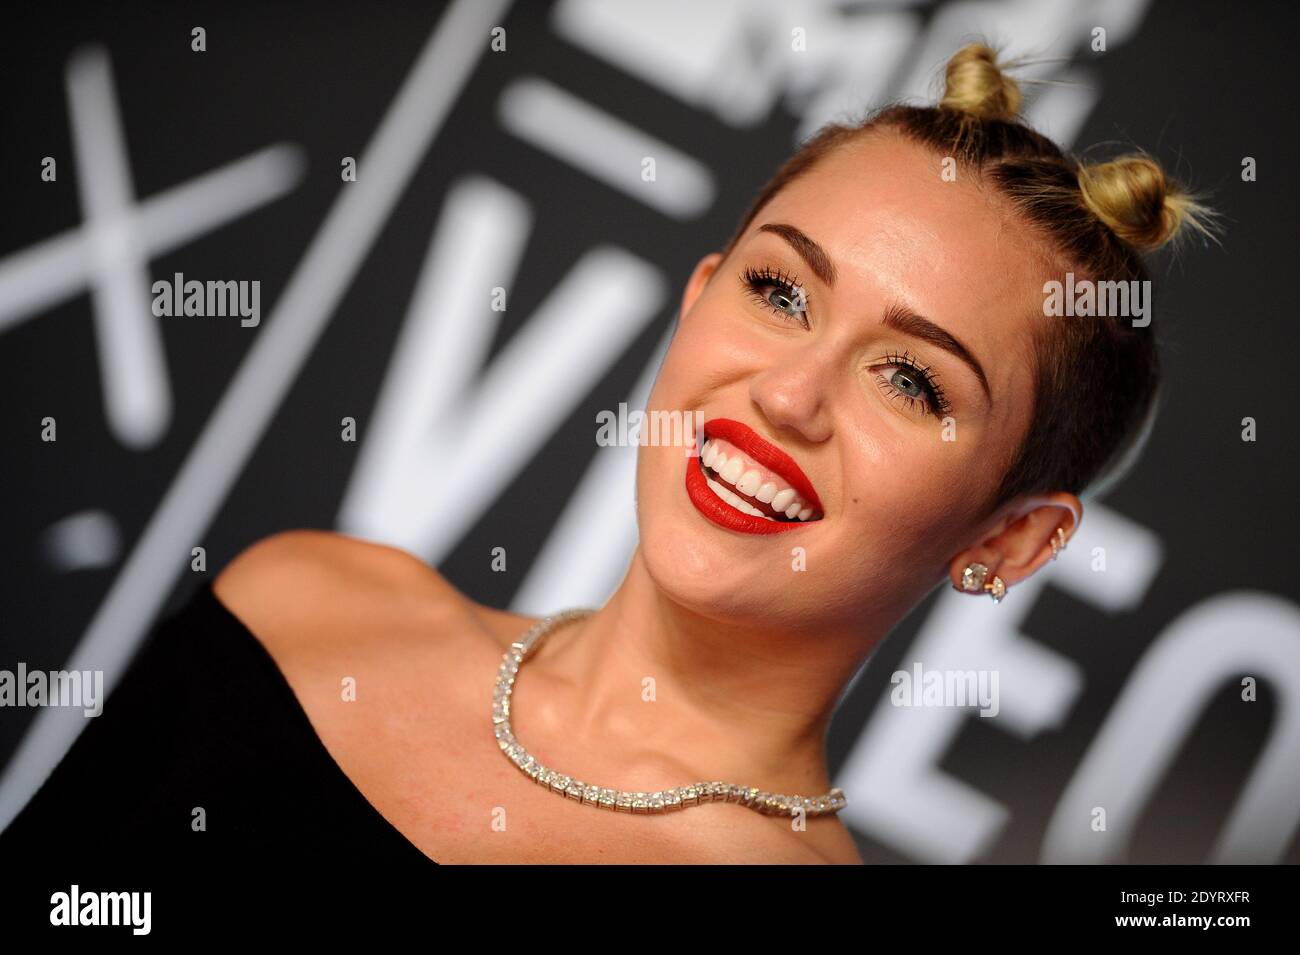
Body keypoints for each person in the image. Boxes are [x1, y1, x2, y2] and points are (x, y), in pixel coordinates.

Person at [1, 42, 1216, 867]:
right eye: (781, 291)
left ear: (1009, 537)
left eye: (910, 379)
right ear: (697, 302)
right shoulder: (301, 601)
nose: (788, 393)